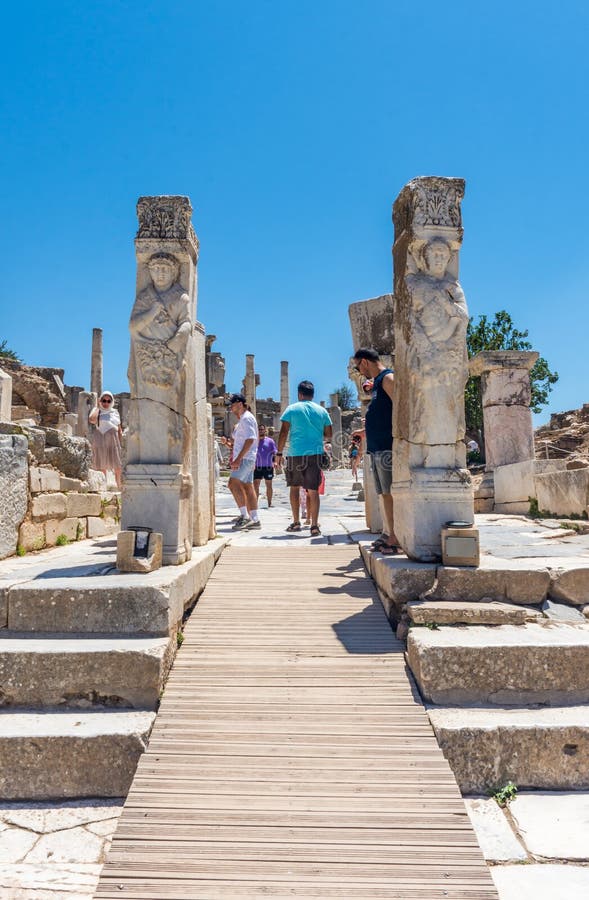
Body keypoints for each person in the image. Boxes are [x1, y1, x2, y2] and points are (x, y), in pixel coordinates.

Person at [353, 348, 400, 554]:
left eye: (357, 367)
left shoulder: (387, 378)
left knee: (390, 493)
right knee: (384, 493)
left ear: (364, 362)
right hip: (377, 447)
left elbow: (400, 410)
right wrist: (365, 431)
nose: (359, 371)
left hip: (387, 447)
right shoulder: (377, 383)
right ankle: (389, 533)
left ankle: (396, 538)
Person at [276, 380, 332, 537]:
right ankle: (314, 525)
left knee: (294, 488)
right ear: (312, 395)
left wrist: (279, 453)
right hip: (314, 453)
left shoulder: (292, 409)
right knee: (313, 491)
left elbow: (283, 432)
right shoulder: (322, 411)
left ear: (299, 394)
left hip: (295, 453)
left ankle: (296, 522)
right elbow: (329, 434)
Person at [226, 393, 260, 530]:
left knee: (232, 484)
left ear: (240, 404)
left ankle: (245, 516)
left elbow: (250, 439)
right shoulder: (243, 420)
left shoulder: (246, 419)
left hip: (245, 457)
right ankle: (255, 519)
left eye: (232, 405)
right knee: (247, 486)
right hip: (248, 457)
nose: (231, 408)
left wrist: (238, 459)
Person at [88, 391, 123, 489]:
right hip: (101, 437)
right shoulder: (97, 410)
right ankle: (104, 485)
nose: (106, 403)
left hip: (114, 438)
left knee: (117, 464)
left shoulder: (115, 412)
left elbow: (119, 428)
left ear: (111, 401)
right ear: (100, 400)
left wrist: (120, 443)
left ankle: (118, 485)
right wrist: (98, 407)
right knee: (102, 462)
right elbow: (91, 420)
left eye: (108, 401)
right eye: (104, 400)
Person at [254, 424, 278, 507]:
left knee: (269, 485)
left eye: (262, 429)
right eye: (259, 429)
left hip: (268, 466)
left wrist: (275, 462)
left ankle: (269, 503)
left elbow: (274, 452)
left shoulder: (270, 441)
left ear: (265, 430)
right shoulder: (254, 441)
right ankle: (255, 503)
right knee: (256, 485)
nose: (260, 431)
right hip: (257, 466)